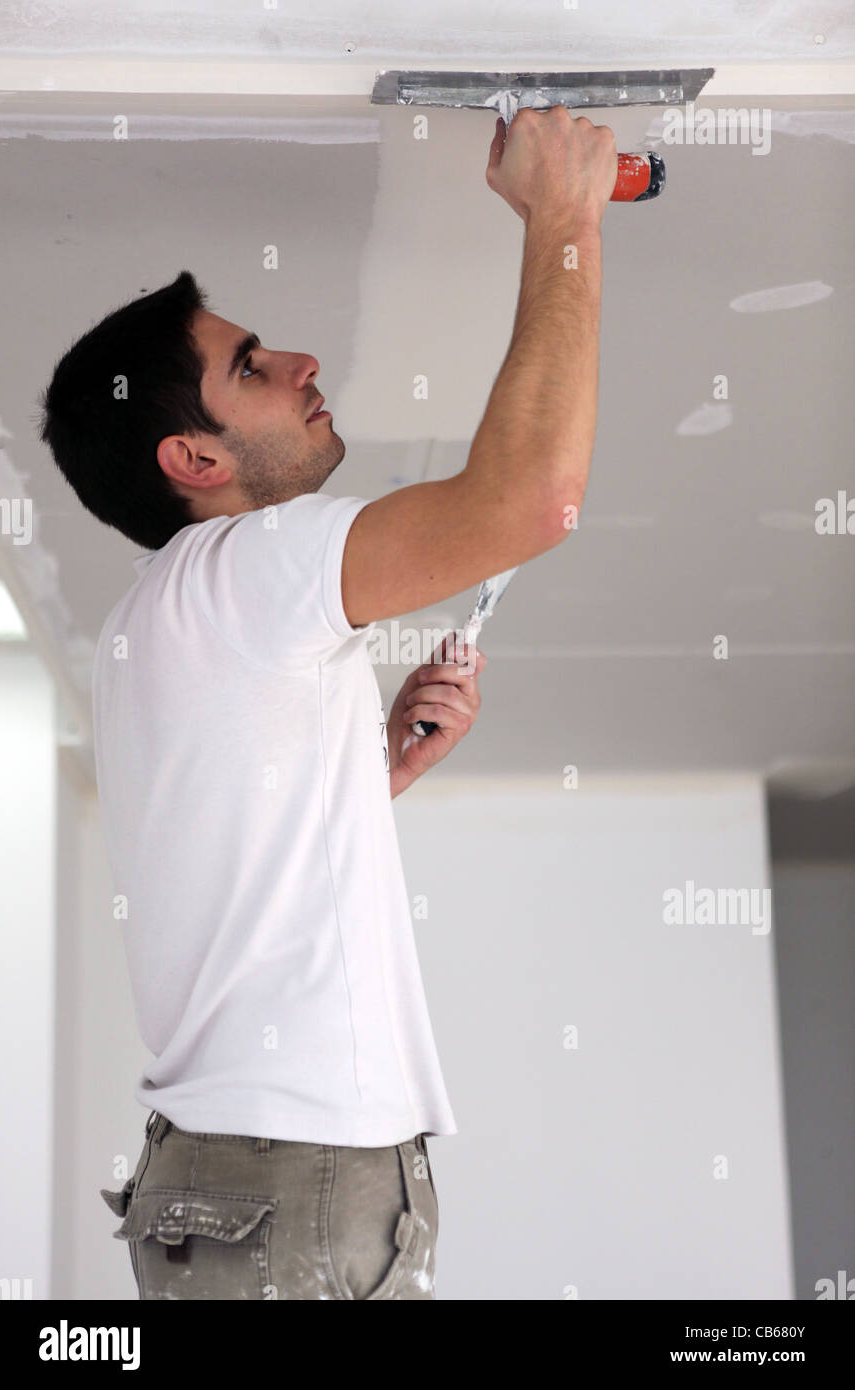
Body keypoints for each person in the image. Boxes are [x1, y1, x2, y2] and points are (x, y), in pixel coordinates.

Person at [38, 105, 616, 1300]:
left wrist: (367, 771)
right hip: (286, 1186)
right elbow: (535, 502)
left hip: (261, 1184)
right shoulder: (245, 568)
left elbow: (227, 857)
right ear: (193, 462)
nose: (302, 364)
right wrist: (562, 214)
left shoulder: (162, 616)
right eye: (250, 367)